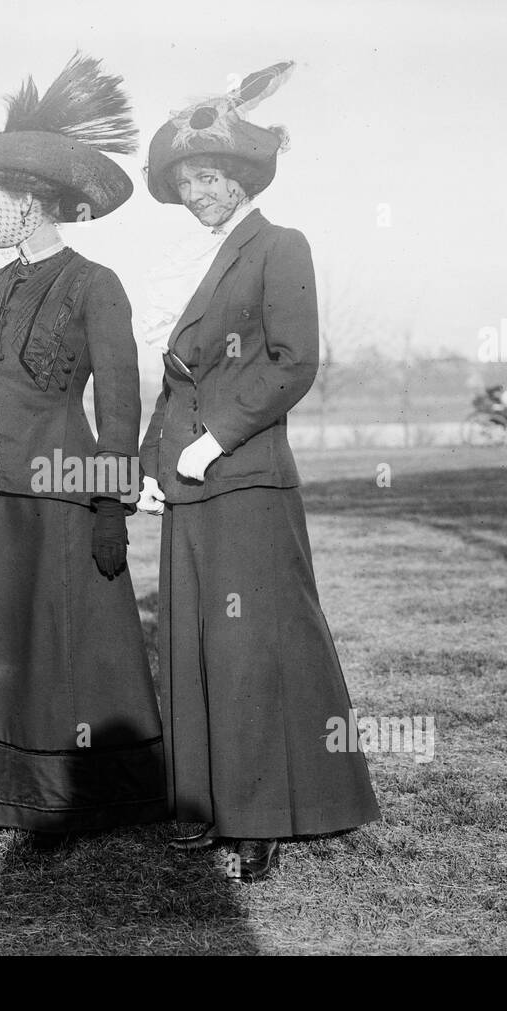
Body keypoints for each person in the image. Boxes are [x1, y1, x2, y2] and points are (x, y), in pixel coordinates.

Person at [136, 60, 380, 881]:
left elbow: (294, 360)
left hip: (244, 481)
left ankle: (260, 818)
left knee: (249, 649)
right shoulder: (200, 265)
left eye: (211, 175)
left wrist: (218, 439)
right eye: (189, 179)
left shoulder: (280, 246)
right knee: (194, 646)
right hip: (187, 487)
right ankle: (204, 806)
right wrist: (150, 462)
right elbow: (176, 380)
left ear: (241, 177)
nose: (200, 191)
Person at [0, 53, 167, 845]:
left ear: (29, 202)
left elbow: (119, 405)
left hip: (61, 492)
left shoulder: (96, 284)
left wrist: (109, 505)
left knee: (61, 646)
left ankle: (75, 798)